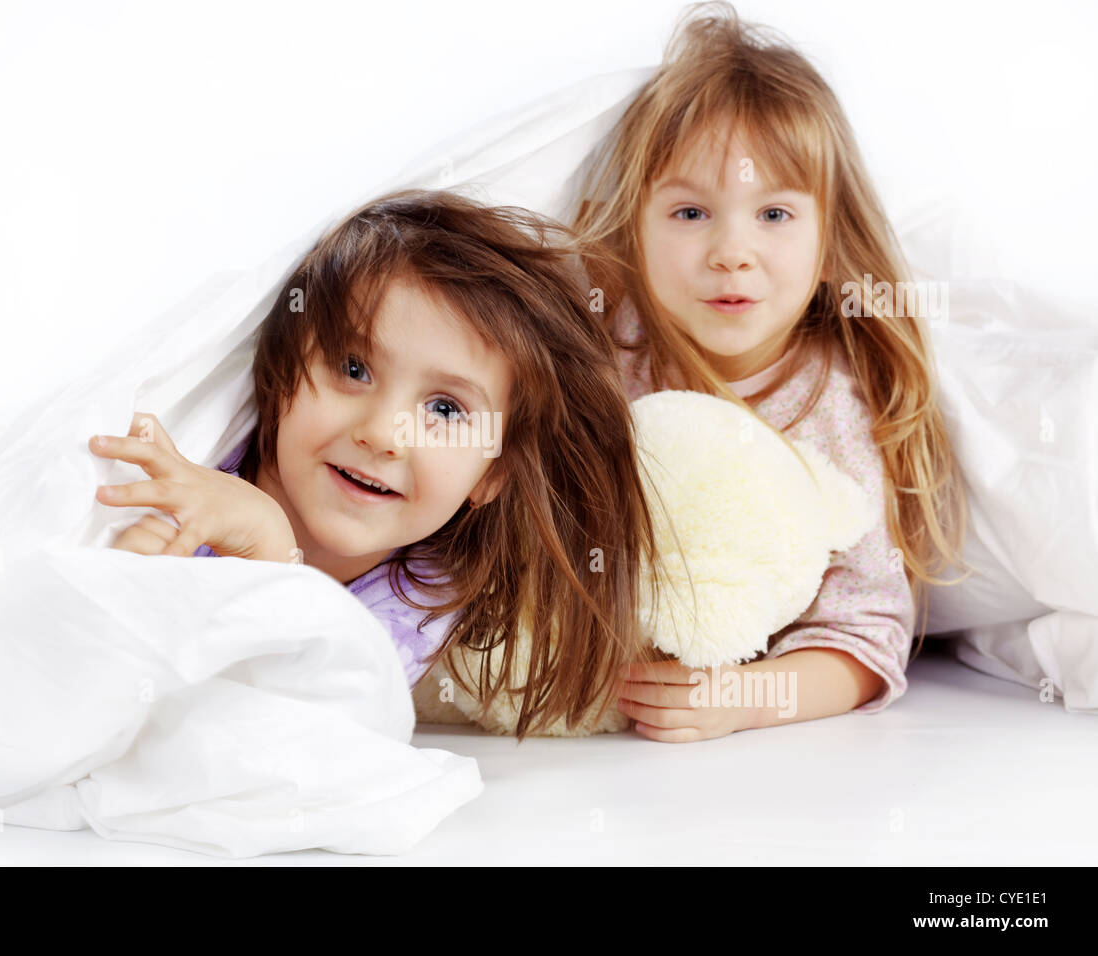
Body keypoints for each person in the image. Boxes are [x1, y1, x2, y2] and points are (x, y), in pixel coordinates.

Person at [91, 188, 664, 740]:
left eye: (444, 408)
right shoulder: (206, 473)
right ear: (281, 370)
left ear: (492, 474)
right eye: (354, 369)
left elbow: (308, 732)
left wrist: (267, 546)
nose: (383, 435)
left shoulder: (421, 596)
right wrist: (133, 580)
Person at [573, 2, 970, 741]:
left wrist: (746, 698)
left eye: (775, 216)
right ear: (636, 227)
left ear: (829, 238)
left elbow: (866, 632)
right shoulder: (602, 357)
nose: (732, 251)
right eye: (690, 213)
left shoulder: (834, 407)